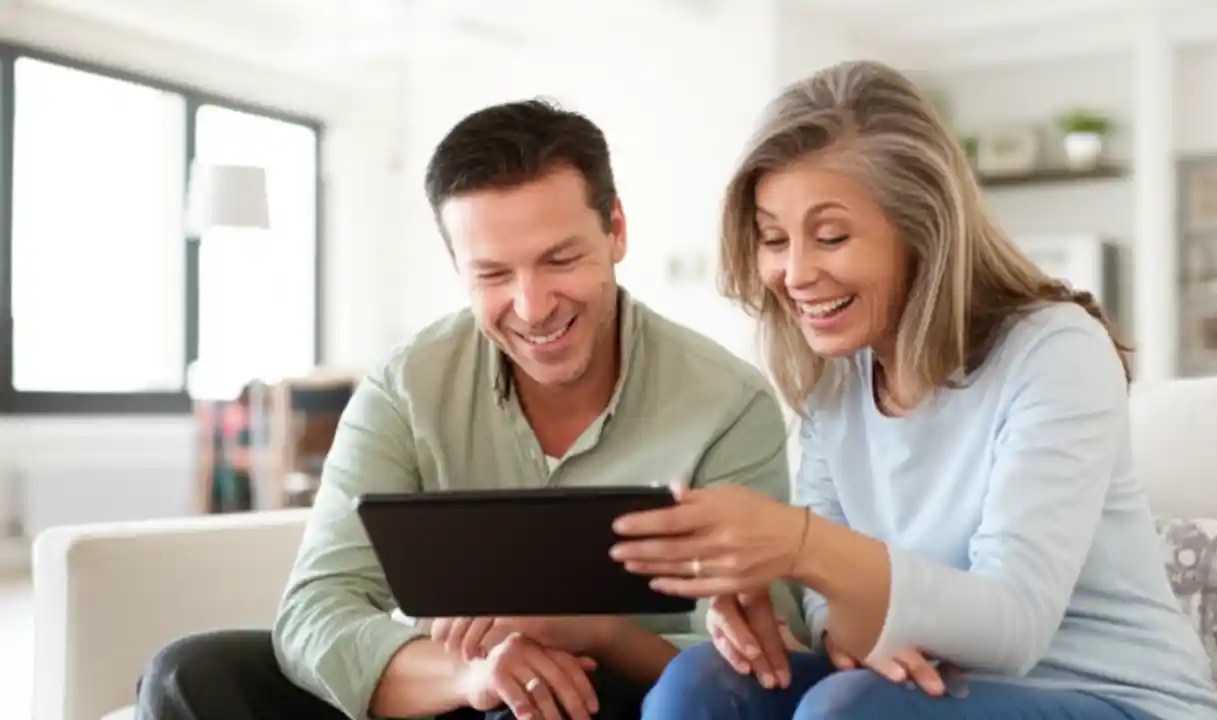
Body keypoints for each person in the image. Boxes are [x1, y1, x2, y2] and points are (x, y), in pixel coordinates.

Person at [136, 99, 801, 720]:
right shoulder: (406, 387)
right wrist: (470, 677)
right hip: (448, 683)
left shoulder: (727, 405)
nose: (533, 306)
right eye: (492, 274)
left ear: (616, 230)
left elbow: (765, 659)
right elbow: (315, 606)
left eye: (560, 259)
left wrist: (592, 630)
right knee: (188, 675)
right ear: (457, 266)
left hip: (611, 697)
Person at [610, 60, 1217, 720]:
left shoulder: (1057, 350)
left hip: (1117, 699)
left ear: (922, 228)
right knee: (700, 681)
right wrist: (775, 583)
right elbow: (832, 620)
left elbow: (1015, 624)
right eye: (772, 239)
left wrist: (800, 545)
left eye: (830, 237)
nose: (793, 274)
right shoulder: (834, 382)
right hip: (926, 693)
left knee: (846, 713)